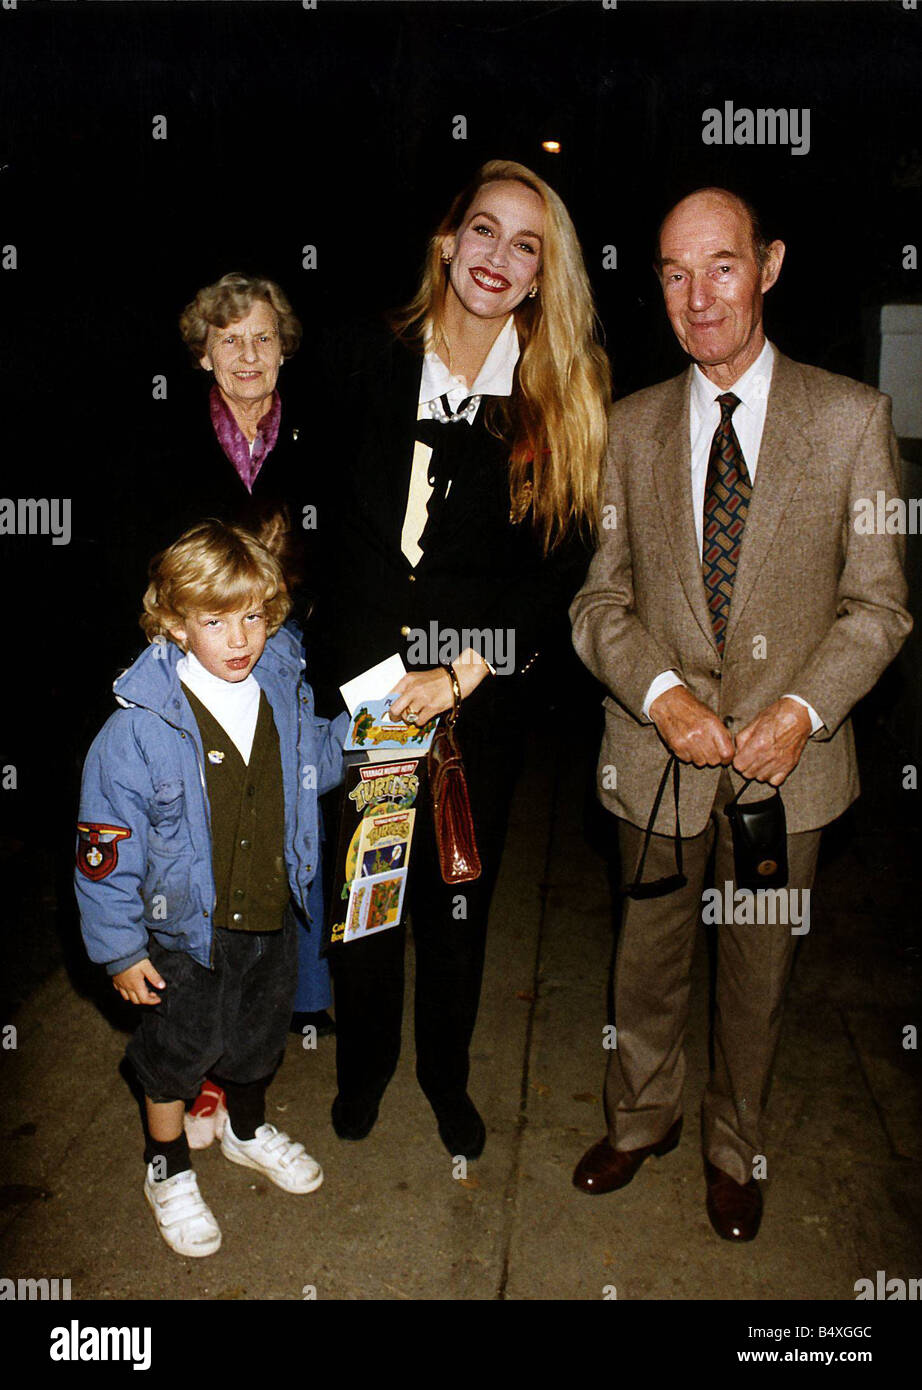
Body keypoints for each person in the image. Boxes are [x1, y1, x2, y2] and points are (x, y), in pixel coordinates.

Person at [569, 187, 911, 1240]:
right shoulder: (628, 427)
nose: (696, 295)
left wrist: (802, 711)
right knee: (647, 957)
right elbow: (598, 600)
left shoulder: (849, 417)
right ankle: (641, 1120)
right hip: (656, 758)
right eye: (673, 274)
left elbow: (879, 604)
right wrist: (663, 696)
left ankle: (733, 1145)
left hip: (784, 775)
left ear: (767, 265)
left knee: (757, 972)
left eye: (719, 266)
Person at [314, 159, 611, 1159]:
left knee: (452, 898)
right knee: (365, 900)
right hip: (360, 683)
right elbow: (322, 521)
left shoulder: (552, 393)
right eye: (483, 231)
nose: (498, 257)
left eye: (525, 245)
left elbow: (557, 572)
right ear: (448, 240)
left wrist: (465, 668)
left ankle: (444, 1074)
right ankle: (363, 1074)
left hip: (474, 696)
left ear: (540, 274)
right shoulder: (367, 355)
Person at [75, 520, 348, 1256]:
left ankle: (246, 1127)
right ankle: (165, 1167)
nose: (240, 639)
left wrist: (372, 727)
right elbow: (104, 854)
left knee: (259, 1036)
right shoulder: (137, 729)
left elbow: (315, 762)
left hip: (271, 914)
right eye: (216, 620)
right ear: (173, 621)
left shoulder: (281, 690)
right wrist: (121, 948)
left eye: (254, 616)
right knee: (176, 1048)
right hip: (182, 933)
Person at [171, 274, 335, 1141]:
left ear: (284, 349)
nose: (247, 355)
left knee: (291, 817)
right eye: (228, 339)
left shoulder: (316, 434)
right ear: (203, 352)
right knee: (202, 837)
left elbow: (343, 542)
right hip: (194, 653)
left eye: (263, 338)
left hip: (290, 652)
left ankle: (295, 1004)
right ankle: (199, 1051)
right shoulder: (167, 435)